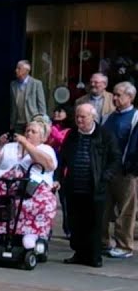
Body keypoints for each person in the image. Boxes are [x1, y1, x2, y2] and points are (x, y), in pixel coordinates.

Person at [0, 120, 58, 252]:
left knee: (41, 201)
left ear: (43, 137)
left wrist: (26, 144)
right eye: (27, 130)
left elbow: (48, 165)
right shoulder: (10, 147)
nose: (29, 133)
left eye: (34, 132)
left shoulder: (45, 149)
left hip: (32, 186)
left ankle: (32, 233)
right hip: (5, 183)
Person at [58, 104, 120, 267]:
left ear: (93, 117)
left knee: (94, 223)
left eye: (83, 117)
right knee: (76, 223)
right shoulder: (72, 135)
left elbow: (115, 159)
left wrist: (105, 177)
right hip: (74, 185)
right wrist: (59, 178)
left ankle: (94, 256)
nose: (79, 120)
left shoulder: (104, 135)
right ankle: (79, 253)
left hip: (95, 187)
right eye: (77, 116)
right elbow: (62, 158)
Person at [101, 82, 137, 259]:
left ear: (130, 97)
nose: (114, 98)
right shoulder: (108, 117)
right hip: (107, 170)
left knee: (126, 210)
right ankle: (103, 242)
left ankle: (124, 246)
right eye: (114, 94)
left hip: (126, 172)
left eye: (119, 95)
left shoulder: (135, 117)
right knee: (103, 207)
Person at [10, 60, 48, 126]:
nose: (16, 70)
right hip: (18, 123)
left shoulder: (36, 84)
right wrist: (12, 123)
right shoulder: (13, 84)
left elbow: (41, 105)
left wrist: (41, 123)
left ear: (26, 71)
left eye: (19, 68)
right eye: (16, 68)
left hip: (32, 122)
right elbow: (13, 106)